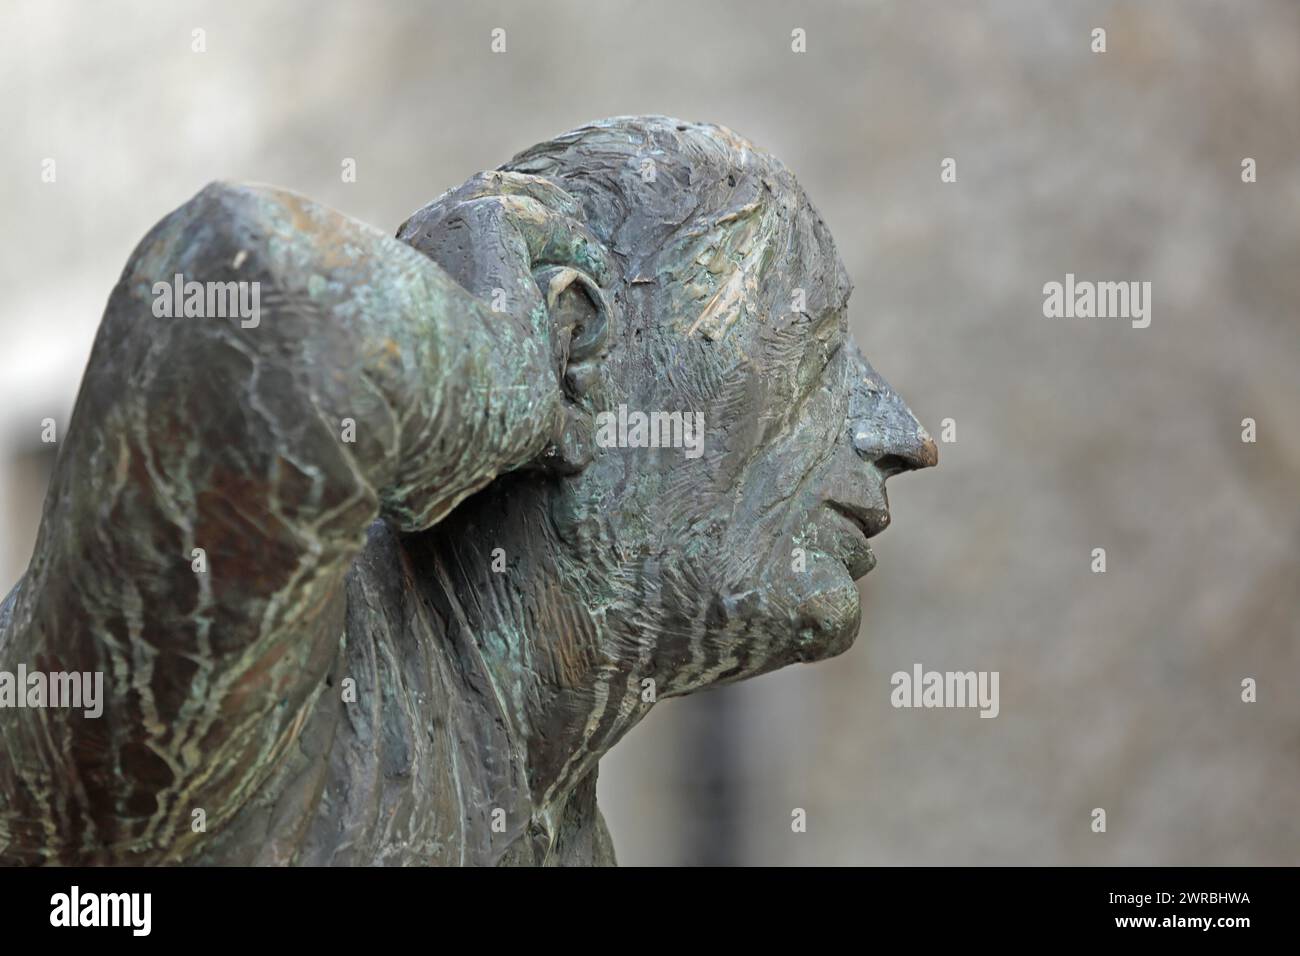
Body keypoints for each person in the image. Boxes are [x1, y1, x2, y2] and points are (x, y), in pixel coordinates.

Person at [0, 116, 936, 865]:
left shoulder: (550, 826)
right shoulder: (280, 699)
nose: (903, 435)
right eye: (814, 350)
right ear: (574, 352)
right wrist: (481, 354)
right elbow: (248, 292)